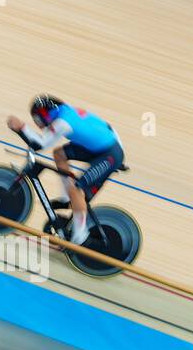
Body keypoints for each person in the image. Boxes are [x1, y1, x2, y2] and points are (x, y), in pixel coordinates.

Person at [7, 95, 124, 243]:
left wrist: (21, 127)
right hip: (101, 147)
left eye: (37, 120)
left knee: (77, 189)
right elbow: (106, 125)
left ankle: (80, 236)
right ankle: (66, 198)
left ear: (45, 115)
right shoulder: (63, 110)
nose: (39, 125)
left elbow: (41, 144)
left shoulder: (62, 122)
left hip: (109, 155)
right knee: (59, 154)